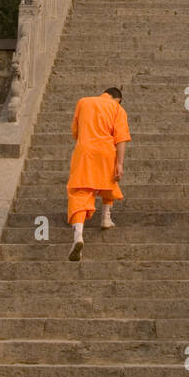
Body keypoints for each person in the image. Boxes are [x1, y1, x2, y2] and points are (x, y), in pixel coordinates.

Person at [67, 87, 131, 262]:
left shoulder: (83, 102)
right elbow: (121, 138)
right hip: (106, 152)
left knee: (80, 190)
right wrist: (119, 163)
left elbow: (75, 132)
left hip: (84, 151)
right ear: (116, 98)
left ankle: (78, 234)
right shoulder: (118, 109)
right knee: (109, 181)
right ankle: (105, 217)